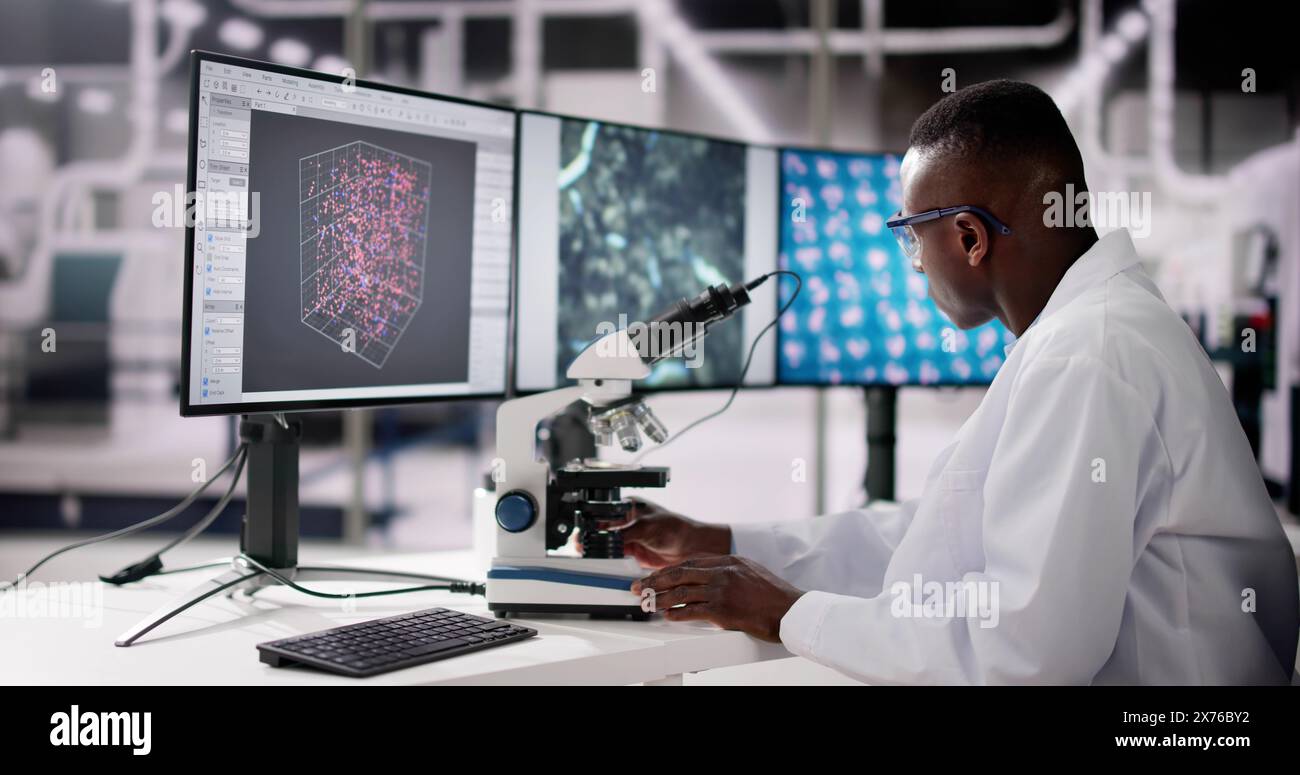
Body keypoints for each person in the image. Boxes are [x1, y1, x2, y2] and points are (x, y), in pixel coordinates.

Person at [619, 80, 1299, 685]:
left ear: (971, 237)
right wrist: (730, 543)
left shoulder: (1088, 356)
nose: (914, 264)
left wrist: (789, 613)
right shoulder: (1090, 330)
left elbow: (1020, 658)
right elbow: (943, 534)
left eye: (912, 236)